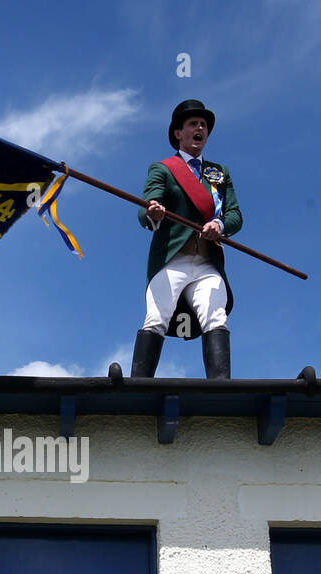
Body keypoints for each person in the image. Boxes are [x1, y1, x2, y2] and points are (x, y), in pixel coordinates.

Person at [131, 99, 242, 379]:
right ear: (178, 133)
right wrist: (154, 212)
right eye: (193, 123)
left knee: (216, 316)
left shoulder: (219, 173)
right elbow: (146, 211)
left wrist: (219, 224)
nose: (200, 128)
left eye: (203, 124)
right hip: (172, 260)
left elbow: (235, 215)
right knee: (156, 317)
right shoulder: (164, 168)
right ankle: (137, 385)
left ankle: (220, 387)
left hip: (207, 262)